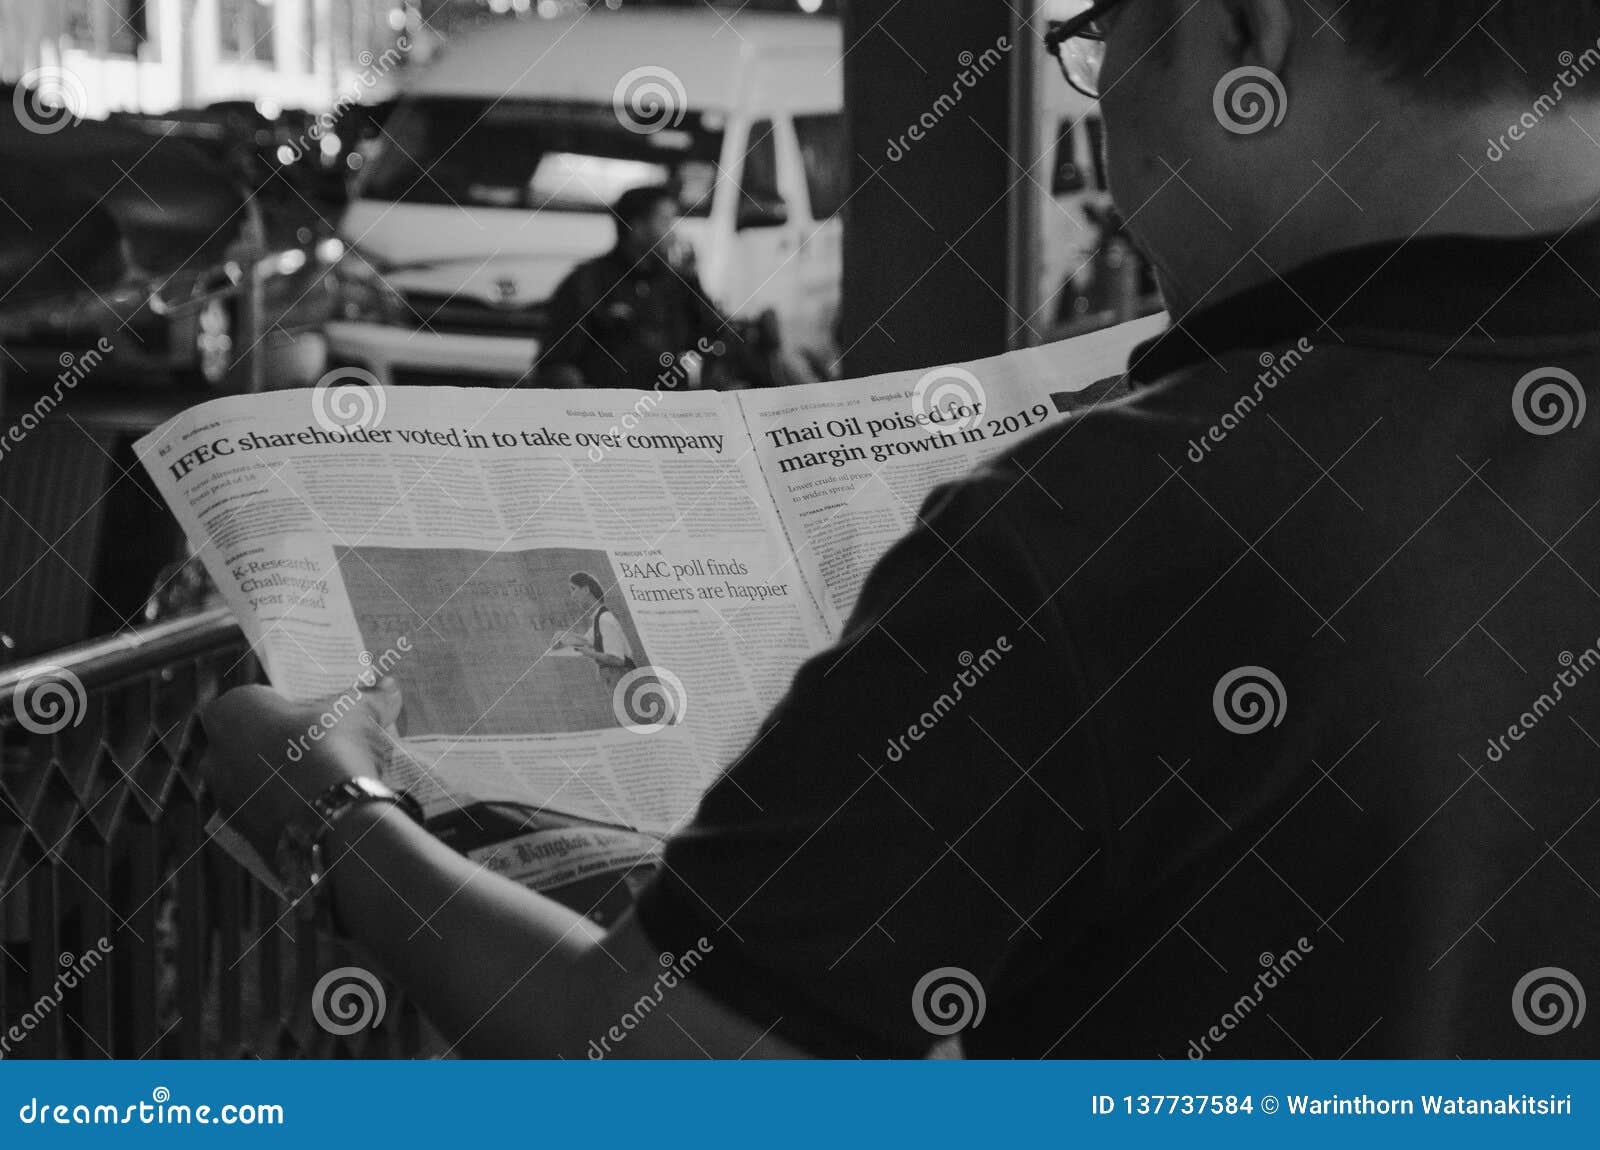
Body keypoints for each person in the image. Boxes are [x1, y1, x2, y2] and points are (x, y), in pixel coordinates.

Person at [203, 1, 1600, 1058]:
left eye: (1103, 36)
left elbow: (683, 1070)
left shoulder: (1119, 522)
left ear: (1247, 37)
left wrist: (339, 816)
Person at [532, 184, 730, 390]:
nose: (673, 235)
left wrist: (693, 282)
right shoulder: (588, 281)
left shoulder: (674, 284)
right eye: (665, 223)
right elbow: (556, 362)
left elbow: (713, 335)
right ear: (637, 227)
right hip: (608, 405)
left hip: (666, 404)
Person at [562, 571, 636, 696]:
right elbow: (586, 640)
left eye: (573, 589)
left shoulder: (604, 619)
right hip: (616, 678)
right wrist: (564, 636)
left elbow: (617, 659)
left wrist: (589, 653)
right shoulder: (598, 618)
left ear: (586, 590)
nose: (572, 596)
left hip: (621, 677)